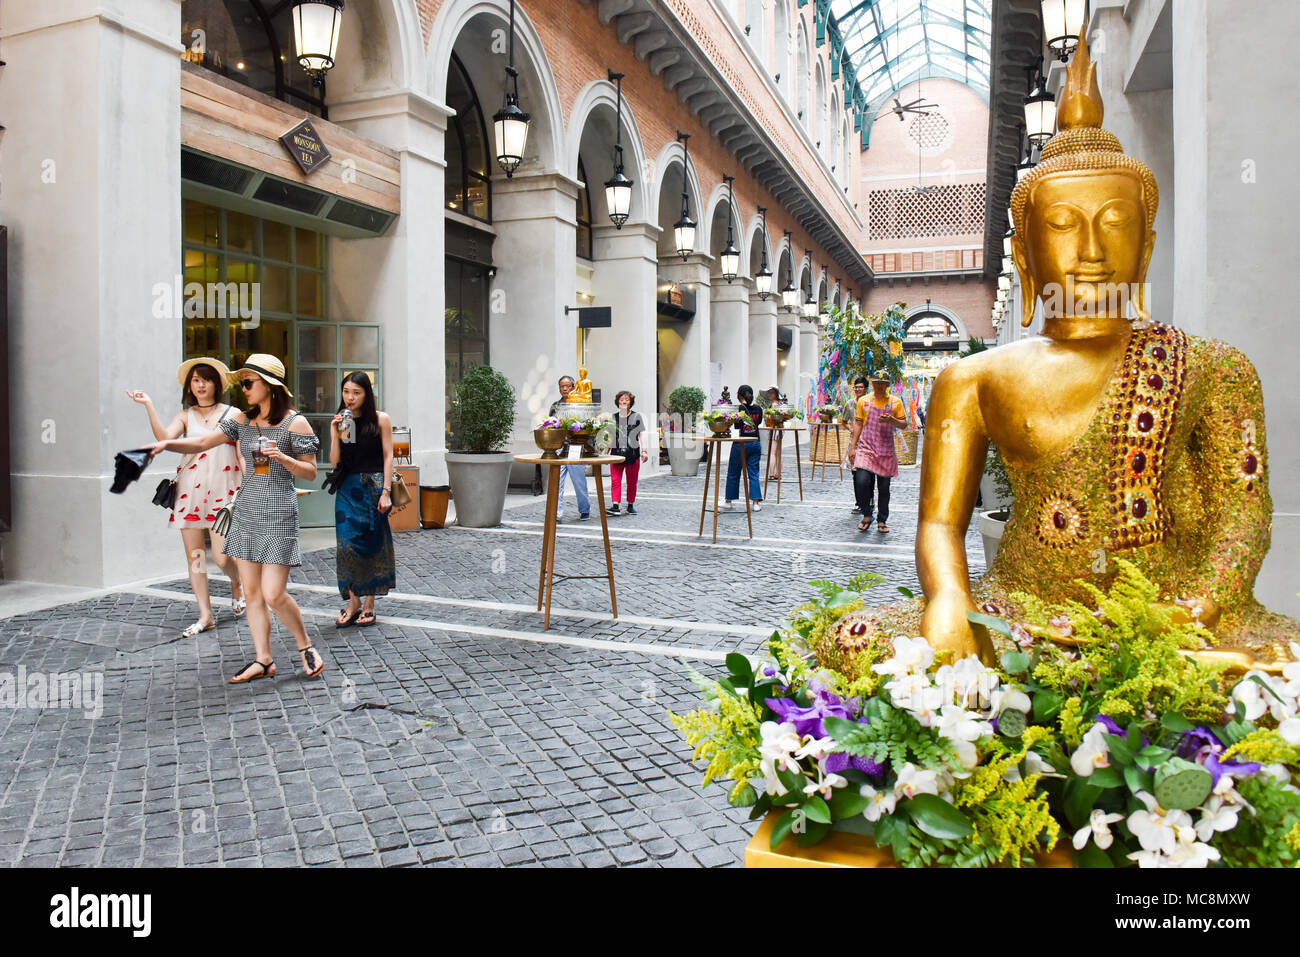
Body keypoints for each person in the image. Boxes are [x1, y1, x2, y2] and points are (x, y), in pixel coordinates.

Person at [149, 354, 324, 683]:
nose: (242, 389)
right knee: (253, 593)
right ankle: (263, 659)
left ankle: (305, 644)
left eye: (248, 383)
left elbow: (312, 472)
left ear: (270, 386)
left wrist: (282, 457)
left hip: (278, 516)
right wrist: (164, 444)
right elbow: (202, 441)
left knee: (273, 594)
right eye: (241, 383)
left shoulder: (296, 422)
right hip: (245, 514)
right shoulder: (242, 420)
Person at [127, 358, 244, 637]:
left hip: (224, 491)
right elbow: (164, 439)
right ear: (189, 386)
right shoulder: (184, 416)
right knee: (196, 557)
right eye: (195, 380)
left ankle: (237, 583)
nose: (200, 385)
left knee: (223, 556)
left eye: (205, 379)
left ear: (217, 383)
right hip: (190, 492)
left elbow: (241, 453)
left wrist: (245, 484)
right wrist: (149, 405)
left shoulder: (234, 413)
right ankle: (205, 615)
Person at [329, 372, 395, 627]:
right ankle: (352, 600)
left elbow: (388, 455)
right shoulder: (343, 420)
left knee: (371, 542)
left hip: (374, 485)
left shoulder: (380, 420)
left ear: (367, 394)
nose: (350, 397)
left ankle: (369, 602)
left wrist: (386, 491)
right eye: (346, 391)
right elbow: (336, 462)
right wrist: (334, 433)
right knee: (347, 544)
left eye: (356, 392)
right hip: (347, 487)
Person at [845, 374, 907, 533]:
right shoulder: (863, 401)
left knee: (884, 488)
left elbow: (904, 424)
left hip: (885, 450)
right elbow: (858, 422)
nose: (879, 386)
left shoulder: (895, 402)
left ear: (887, 385)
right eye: (876, 383)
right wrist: (853, 447)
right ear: (872, 384)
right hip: (866, 448)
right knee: (861, 481)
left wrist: (892, 420)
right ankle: (866, 513)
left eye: (883, 384)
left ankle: (882, 519)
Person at [549, 375, 590, 521]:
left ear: (573, 387)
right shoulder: (555, 405)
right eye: (562, 386)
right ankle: (556, 513)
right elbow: (551, 425)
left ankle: (584, 509)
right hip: (559, 448)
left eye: (568, 386)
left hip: (575, 447)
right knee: (557, 483)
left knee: (579, 482)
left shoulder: (579, 404)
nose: (565, 388)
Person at [722, 384, 763, 512]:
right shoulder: (758, 409)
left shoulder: (739, 409)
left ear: (740, 396)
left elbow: (737, 425)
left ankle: (728, 501)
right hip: (755, 442)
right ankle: (755, 503)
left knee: (733, 472)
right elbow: (759, 422)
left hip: (741, 443)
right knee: (754, 473)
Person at [606, 390, 647, 515]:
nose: (624, 401)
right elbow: (611, 436)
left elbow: (642, 434)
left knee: (632, 481)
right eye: (621, 399)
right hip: (616, 454)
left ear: (630, 403)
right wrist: (606, 450)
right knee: (615, 480)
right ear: (618, 402)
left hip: (632, 454)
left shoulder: (636, 417)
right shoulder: (613, 417)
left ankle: (630, 504)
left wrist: (644, 451)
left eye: (627, 399)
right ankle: (615, 505)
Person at [846, 377, 868, 514]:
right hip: (854, 442)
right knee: (855, 474)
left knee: (868, 473)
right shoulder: (849, 404)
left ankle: (869, 501)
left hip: (868, 442)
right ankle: (859, 502)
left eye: (860, 387)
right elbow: (843, 421)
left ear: (866, 389)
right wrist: (851, 429)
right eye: (856, 387)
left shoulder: (870, 403)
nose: (858, 390)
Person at [763, 386, 784, 481]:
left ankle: (772, 473)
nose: (769, 395)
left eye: (772, 393)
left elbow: (771, 418)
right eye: (769, 393)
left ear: (776, 394)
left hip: (774, 429)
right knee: (778, 452)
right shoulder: (778, 404)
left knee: (772, 453)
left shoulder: (774, 405)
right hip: (779, 429)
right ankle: (777, 473)